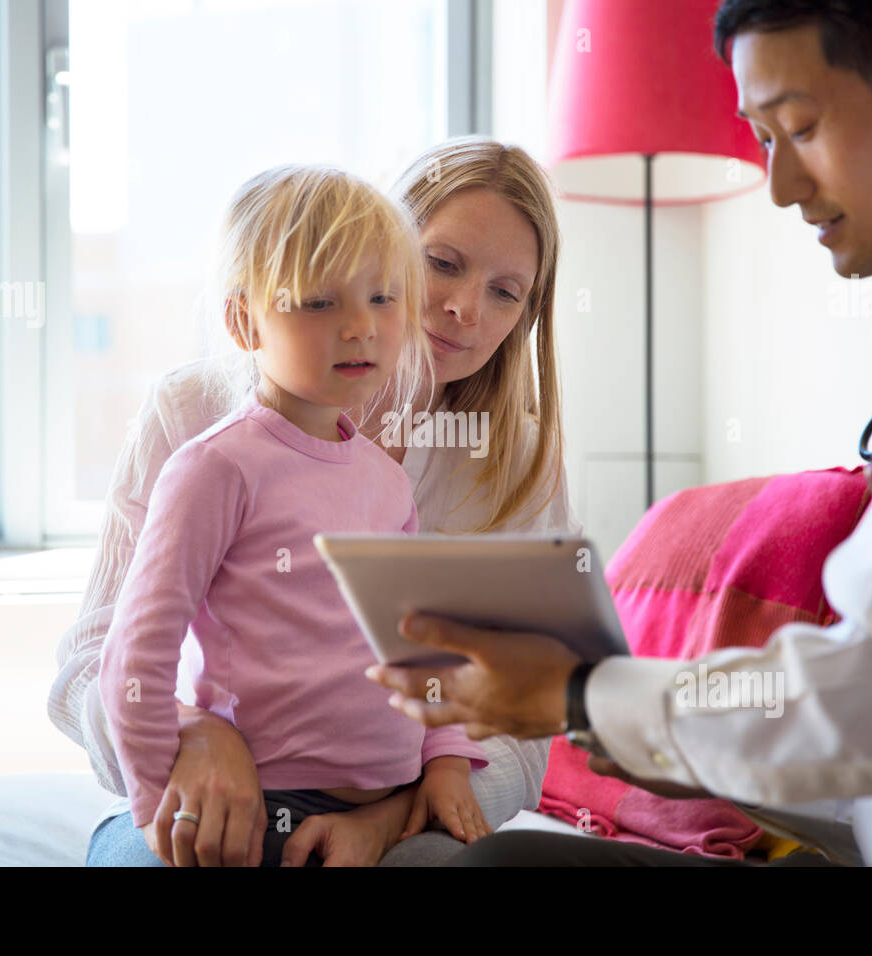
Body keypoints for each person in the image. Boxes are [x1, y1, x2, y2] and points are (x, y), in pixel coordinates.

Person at [368, 0, 872, 866]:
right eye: (763, 139)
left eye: (800, 128)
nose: (780, 186)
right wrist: (658, 738)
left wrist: (589, 696)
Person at [48, 137, 584, 866]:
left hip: (391, 814)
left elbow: (524, 719)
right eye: (443, 264)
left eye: (506, 291)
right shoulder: (196, 416)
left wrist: (388, 820)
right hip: (214, 796)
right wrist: (188, 740)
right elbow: (92, 658)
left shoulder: (509, 460)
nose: (463, 309)